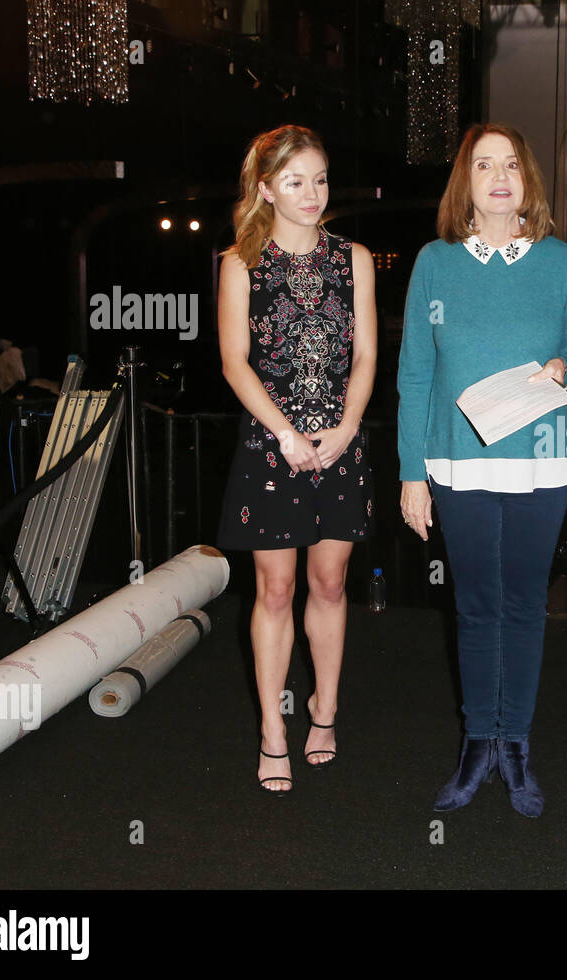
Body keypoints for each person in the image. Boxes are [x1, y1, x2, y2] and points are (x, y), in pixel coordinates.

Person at [398, 122, 567, 818]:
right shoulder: (436, 263)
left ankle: (516, 745)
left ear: (527, 179)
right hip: (459, 463)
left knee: (524, 607)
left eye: (511, 164)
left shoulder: (558, 261)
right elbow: (415, 374)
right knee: (476, 608)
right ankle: (477, 742)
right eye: (484, 165)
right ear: (467, 182)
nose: (500, 176)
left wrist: (564, 366)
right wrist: (412, 473)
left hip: (541, 463)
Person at [216, 125, 377, 796]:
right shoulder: (239, 263)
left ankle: (324, 709)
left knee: (331, 584)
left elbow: (367, 354)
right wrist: (285, 432)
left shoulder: (354, 259)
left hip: (341, 442)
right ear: (265, 189)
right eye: (295, 181)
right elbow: (234, 362)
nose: (312, 193)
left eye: (320, 179)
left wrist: (348, 425)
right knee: (275, 590)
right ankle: (272, 729)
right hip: (270, 447)